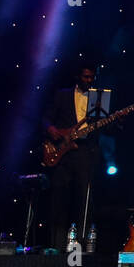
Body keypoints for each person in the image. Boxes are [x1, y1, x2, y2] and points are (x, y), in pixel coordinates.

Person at [41, 63, 102, 251]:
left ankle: (80, 248)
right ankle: (56, 246)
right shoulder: (62, 95)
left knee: (83, 199)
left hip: (85, 152)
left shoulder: (97, 98)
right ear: (78, 77)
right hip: (64, 152)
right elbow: (46, 118)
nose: (89, 80)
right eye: (85, 77)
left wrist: (118, 120)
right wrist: (51, 129)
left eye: (91, 77)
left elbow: (104, 125)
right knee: (60, 197)